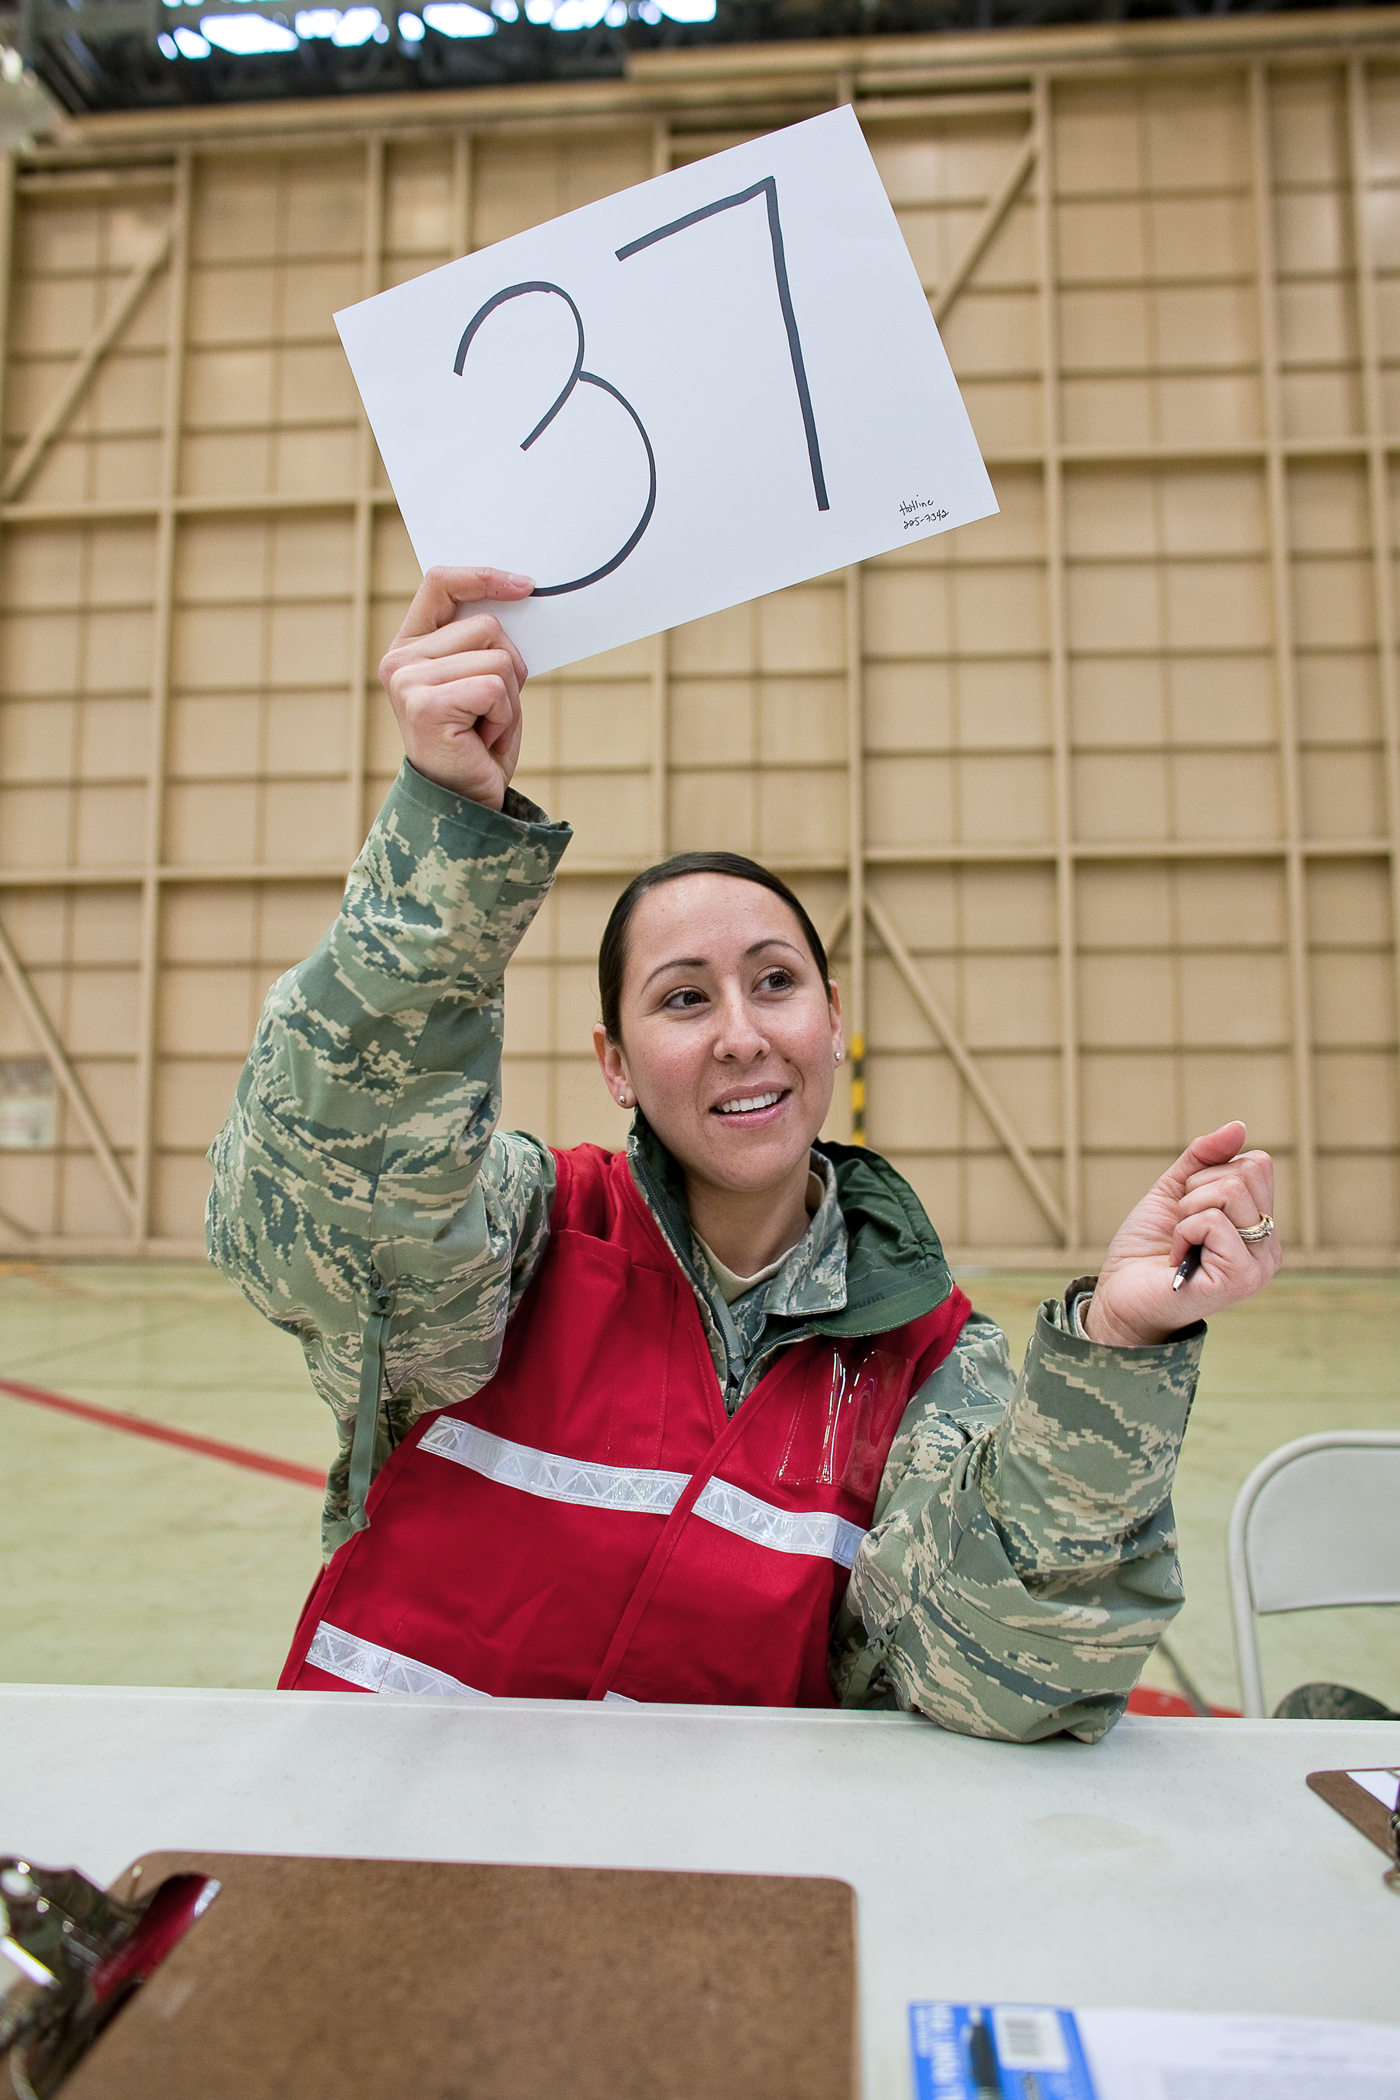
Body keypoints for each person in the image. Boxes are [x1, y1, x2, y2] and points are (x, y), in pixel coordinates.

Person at [207, 567, 1283, 1741]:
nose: (740, 1035)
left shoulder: (922, 1357)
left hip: (712, 1906)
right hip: (381, 1847)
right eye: (680, 1000)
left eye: (775, 983)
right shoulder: (518, 1237)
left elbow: (998, 1674)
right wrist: (443, 821)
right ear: (613, 1063)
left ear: (829, 1021)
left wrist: (1119, 1349)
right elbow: (321, 1196)